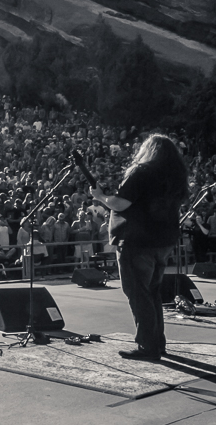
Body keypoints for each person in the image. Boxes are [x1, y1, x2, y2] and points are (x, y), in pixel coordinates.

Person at [76, 136, 188, 361]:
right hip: (163, 240)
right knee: (152, 292)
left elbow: (120, 204)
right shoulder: (176, 176)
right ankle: (157, 343)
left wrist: (100, 197)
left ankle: (148, 346)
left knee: (138, 293)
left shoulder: (141, 172)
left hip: (137, 241)